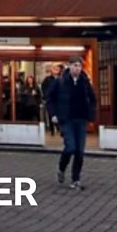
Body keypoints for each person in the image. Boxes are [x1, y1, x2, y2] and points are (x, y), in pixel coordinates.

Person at [47, 55, 97, 191]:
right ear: (69, 66)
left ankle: (76, 179)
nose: (77, 68)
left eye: (80, 66)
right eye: (75, 65)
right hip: (66, 118)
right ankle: (61, 168)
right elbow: (50, 99)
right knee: (70, 147)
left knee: (79, 151)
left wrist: (91, 115)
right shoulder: (60, 81)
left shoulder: (85, 81)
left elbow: (93, 99)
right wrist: (53, 114)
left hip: (81, 119)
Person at [42, 64, 63, 136]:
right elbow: (43, 87)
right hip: (50, 99)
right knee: (51, 115)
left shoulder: (62, 78)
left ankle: (59, 128)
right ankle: (52, 130)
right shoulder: (47, 79)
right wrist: (46, 96)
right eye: (54, 68)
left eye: (57, 69)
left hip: (60, 100)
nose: (56, 70)